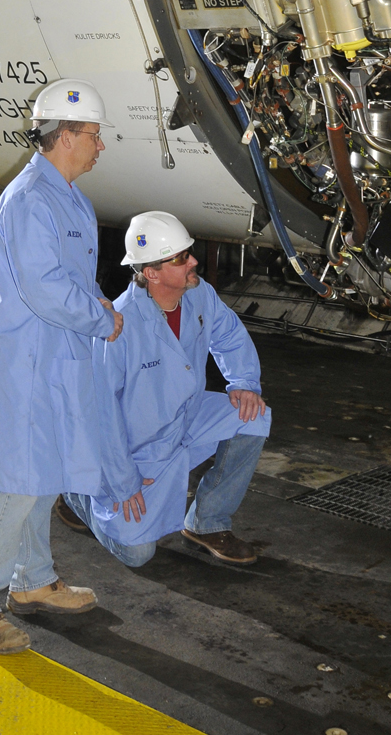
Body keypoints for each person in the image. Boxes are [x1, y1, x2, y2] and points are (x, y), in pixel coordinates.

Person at [0, 78, 123, 655]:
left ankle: (32, 581)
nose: (101, 146)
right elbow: (46, 289)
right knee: (15, 488)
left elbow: (67, 277)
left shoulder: (67, 196)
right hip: (26, 364)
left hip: (54, 358)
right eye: (95, 136)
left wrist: (97, 302)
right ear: (67, 135)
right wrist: (103, 320)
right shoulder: (29, 199)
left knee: (41, 474)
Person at [58, 210, 270, 567]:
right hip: (137, 446)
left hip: (186, 417)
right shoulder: (118, 327)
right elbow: (102, 414)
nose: (194, 261)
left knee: (254, 416)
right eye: (182, 258)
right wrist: (123, 482)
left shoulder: (200, 293)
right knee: (139, 554)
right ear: (151, 273)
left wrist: (244, 381)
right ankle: (77, 491)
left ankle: (208, 522)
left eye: (189, 252)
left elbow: (228, 333)